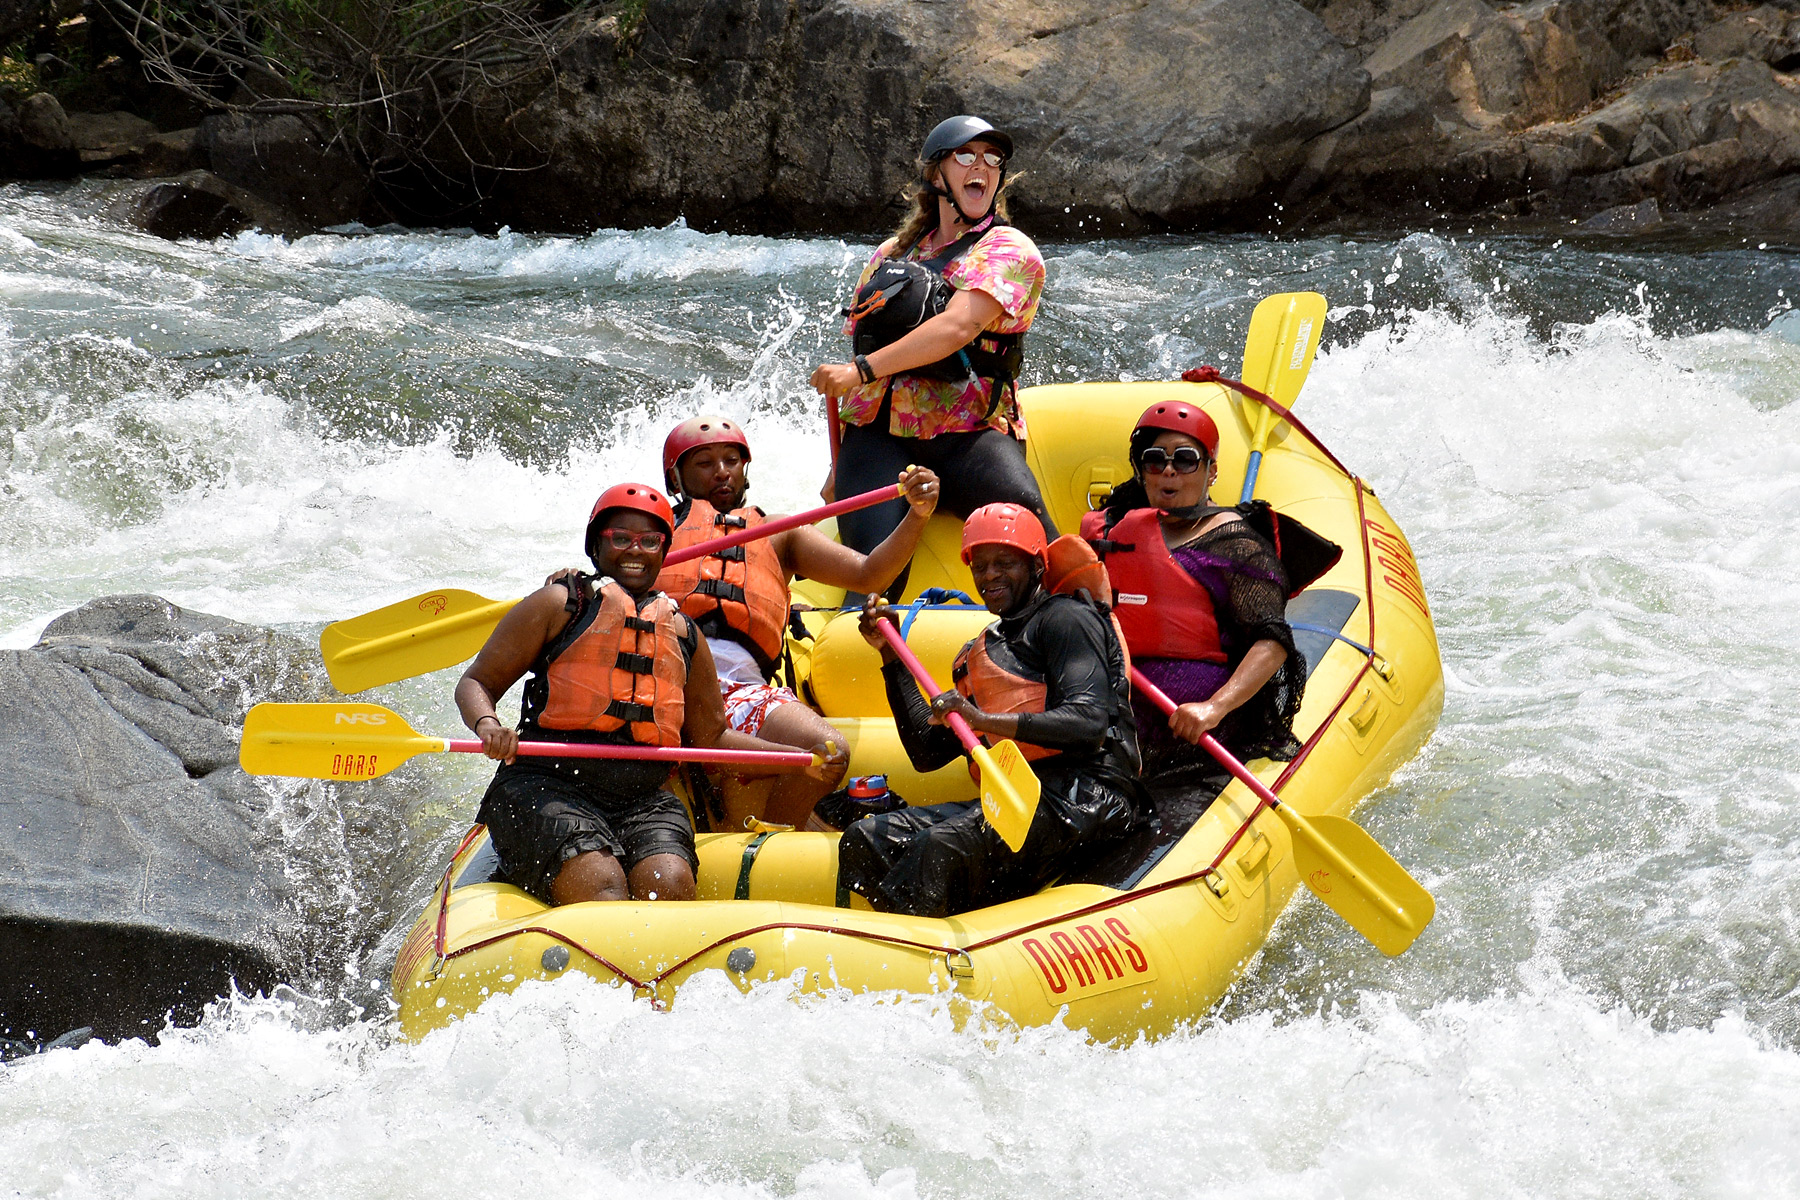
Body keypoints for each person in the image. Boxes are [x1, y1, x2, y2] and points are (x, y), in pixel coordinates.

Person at [457, 482, 844, 906]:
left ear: (664, 550)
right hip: (548, 785)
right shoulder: (557, 604)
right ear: (596, 547)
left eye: (650, 541)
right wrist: (488, 725)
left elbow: (713, 738)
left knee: (670, 883)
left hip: (642, 799)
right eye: (620, 539)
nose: (635, 551)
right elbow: (477, 682)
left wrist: (798, 762)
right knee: (599, 884)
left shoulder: (682, 633)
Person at [838, 504, 1146, 917]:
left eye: (1005, 563)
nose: (989, 576)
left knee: (939, 847)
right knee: (866, 837)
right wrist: (892, 658)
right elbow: (926, 753)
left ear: (1037, 565)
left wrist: (983, 720)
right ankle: (930, 928)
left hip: (1090, 795)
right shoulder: (990, 646)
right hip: (1019, 797)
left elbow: (1088, 723)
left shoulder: (1066, 619)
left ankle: (918, 951)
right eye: (980, 566)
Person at [653, 414, 940, 827]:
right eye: (704, 462)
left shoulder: (779, 534)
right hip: (660, 684)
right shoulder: (653, 534)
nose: (721, 472)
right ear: (676, 479)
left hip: (739, 692)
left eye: (731, 460)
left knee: (829, 749)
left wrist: (917, 514)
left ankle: (771, 843)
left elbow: (870, 574)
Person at [809, 114, 1055, 593]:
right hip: (881, 437)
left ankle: (1078, 616)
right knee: (871, 572)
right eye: (965, 156)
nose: (980, 166)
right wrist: (837, 470)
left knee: (1028, 522)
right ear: (936, 175)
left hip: (965, 433)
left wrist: (859, 371)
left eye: (992, 158)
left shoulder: (1009, 249)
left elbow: (958, 325)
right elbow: (870, 339)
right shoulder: (891, 254)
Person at [1081, 401, 1307, 785]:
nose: (1169, 470)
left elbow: (1273, 642)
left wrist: (1213, 708)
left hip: (1200, 732)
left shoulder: (1236, 543)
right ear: (1142, 471)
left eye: (1185, 460)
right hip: (1117, 723)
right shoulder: (1111, 534)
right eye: (1155, 460)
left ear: (1211, 471)